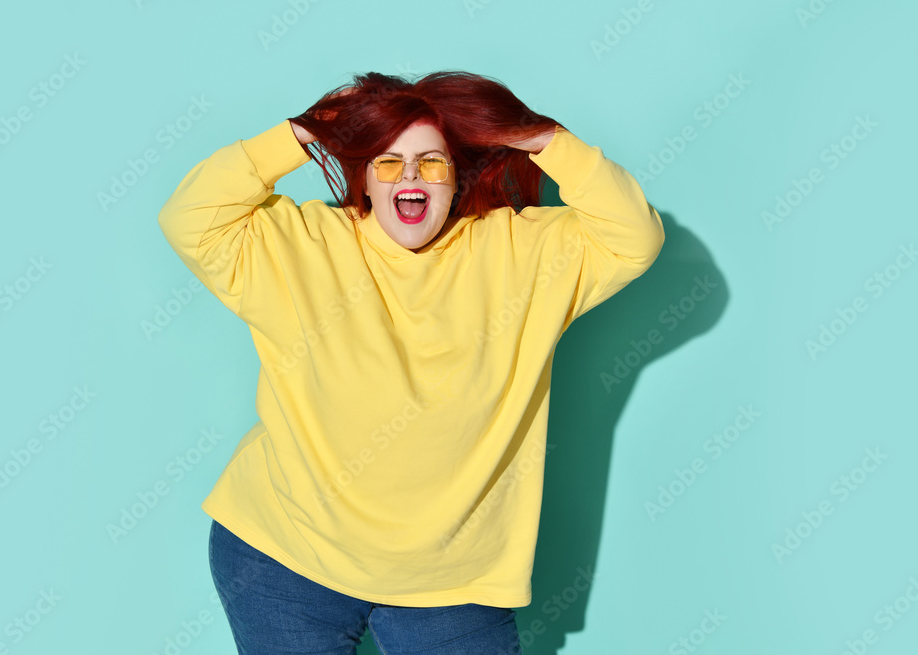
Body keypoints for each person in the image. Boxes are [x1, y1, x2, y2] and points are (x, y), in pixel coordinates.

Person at [157, 70, 665, 654]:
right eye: (388, 161)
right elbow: (190, 216)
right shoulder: (301, 243)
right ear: (365, 179)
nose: (410, 176)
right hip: (286, 561)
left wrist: (542, 138)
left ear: (458, 175)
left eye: (431, 161)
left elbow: (635, 237)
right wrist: (300, 132)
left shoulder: (521, 253)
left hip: (452, 584)